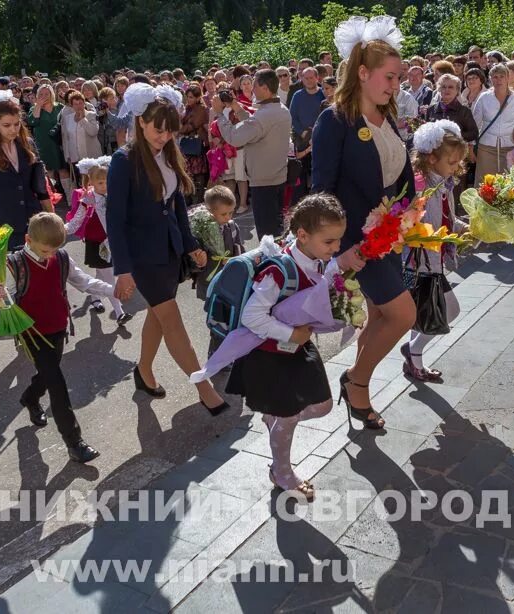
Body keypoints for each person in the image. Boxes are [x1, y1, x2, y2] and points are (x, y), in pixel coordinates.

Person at [312, 17, 417, 430]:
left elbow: (397, 176)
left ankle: (357, 389)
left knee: (379, 317)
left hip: (388, 238)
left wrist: (410, 212)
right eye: (389, 77)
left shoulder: (386, 118)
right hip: (358, 241)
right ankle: (356, 383)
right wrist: (338, 246)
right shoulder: (334, 120)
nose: (395, 85)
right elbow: (322, 190)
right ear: (362, 73)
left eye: (398, 77)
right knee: (403, 315)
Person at [107, 83, 228, 415]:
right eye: (158, 130)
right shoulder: (124, 160)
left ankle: (143, 372)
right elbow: (114, 220)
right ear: (141, 122)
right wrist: (123, 269)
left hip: (170, 249)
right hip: (143, 256)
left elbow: (175, 206)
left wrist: (191, 247)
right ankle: (205, 389)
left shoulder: (168, 153)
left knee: (159, 317)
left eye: (169, 131)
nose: (163, 136)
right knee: (171, 320)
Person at [227, 194, 343, 500]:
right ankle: (282, 472)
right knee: (291, 414)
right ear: (303, 235)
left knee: (323, 405)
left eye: (337, 241)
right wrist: (288, 333)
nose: (335, 248)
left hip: (296, 348)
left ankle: (276, 421)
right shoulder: (280, 270)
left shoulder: (315, 261)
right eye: (329, 241)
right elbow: (252, 315)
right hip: (271, 356)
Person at [0, 212, 110, 462]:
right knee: (57, 382)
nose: (50, 255)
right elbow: (1, 303)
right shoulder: (13, 264)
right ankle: (74, 442)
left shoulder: (60, 257)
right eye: (44, 251)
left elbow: (82, 281)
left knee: (48, 372)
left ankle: (30, 397)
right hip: (32, 332)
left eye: (54, 250)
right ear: (28, 240)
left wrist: (112, 289)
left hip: (58, 325)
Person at [402, 120, 468, 382]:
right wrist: (438, 236)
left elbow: (446, 217)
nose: (455, 168)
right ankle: (413, 351)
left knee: (427, 315)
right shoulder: (422, 187)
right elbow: (411, 227)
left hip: (433, 261)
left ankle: (414, 357)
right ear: (431, 159)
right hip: (421, 263)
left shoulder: (442, 182)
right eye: (451, 162)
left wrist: (463, 227)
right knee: (449, 311)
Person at [212, 69, 292, 238]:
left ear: (264, 88)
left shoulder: (264, 116)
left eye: (254, 84)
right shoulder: (281, 109)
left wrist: (219, 114)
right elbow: (255, 125)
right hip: (278, 178)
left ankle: (270, 264)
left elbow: (235, 137)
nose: (252, 89)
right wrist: (236, 107)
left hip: (264, 184)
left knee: (267, 237)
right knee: (276, 232)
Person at [0, 99, 52, 250]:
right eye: (7, 125)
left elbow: (39, 185)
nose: (13, 130)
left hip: (32, 218)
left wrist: (51, 214)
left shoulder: (27, 143)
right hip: (2, 221)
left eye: (17, 124)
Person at [65, 157, 131, 325]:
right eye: (100, 182)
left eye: (107, 181)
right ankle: (119, 312)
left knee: (102, 272)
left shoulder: (115, 194)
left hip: (113, 241)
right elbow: (77, 220)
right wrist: (62, 230)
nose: (105, 186)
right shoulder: (88, 199)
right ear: (92, 182)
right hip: (97, 242)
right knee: (108, 275)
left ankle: (95, 297)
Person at [191, 185, 244, 356]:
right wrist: (200, 260)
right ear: (210, 211)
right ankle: (216, 354)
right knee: (216, 318)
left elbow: (239, 247)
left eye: (231, 212)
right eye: (224, 214)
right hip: (209, 281)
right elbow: (194, 260)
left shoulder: (232, 226)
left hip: (229, 281)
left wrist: (236, 259)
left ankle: (225, 350)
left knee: (229, 316)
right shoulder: (201, 229)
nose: (228, 217)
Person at [472, 63, 514, 180]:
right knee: (485, 184)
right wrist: (471, 148)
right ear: (490, 79)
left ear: (507, 77)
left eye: (502, 76)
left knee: (508, 186)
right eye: (495, 77)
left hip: (511, 147)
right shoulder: (484, 97)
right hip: (486, 147)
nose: (498, 80)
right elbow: (474, 124)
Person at [289, 67, 324, 201]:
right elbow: (292, 116)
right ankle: (300, 200)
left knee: (318, 168)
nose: (309, 81)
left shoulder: (323, 94)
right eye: (306, 78)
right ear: (301, 79)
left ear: (317, 78)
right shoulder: (297, 95)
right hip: (302, 139)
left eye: (311, 78)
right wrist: (302, 132)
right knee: (301, 171)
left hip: (320, 138)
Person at [60, 91, 102, 188]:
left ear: (84, 103)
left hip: (91, 155)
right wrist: (67, 154)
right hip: (75, 156)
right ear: (71, 105)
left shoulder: (91, 115)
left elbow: (93, 132)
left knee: (94, 180)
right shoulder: (67, 118)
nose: (79, 106)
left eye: (81, 103)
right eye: (76, 104)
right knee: (81, 183)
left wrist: (83, 119)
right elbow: (65, 137)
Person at [179, 85, 210, 204]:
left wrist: (179, 130)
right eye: (187, 97)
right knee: (188, 171)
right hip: (187, 143)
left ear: (198, 97)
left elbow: (193, 125)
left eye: (191, 97)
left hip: (197, 142)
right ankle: (189, 198)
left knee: (198, 172)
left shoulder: (201, 109)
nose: (189, 99)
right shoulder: (188, 108)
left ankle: (199, 199)